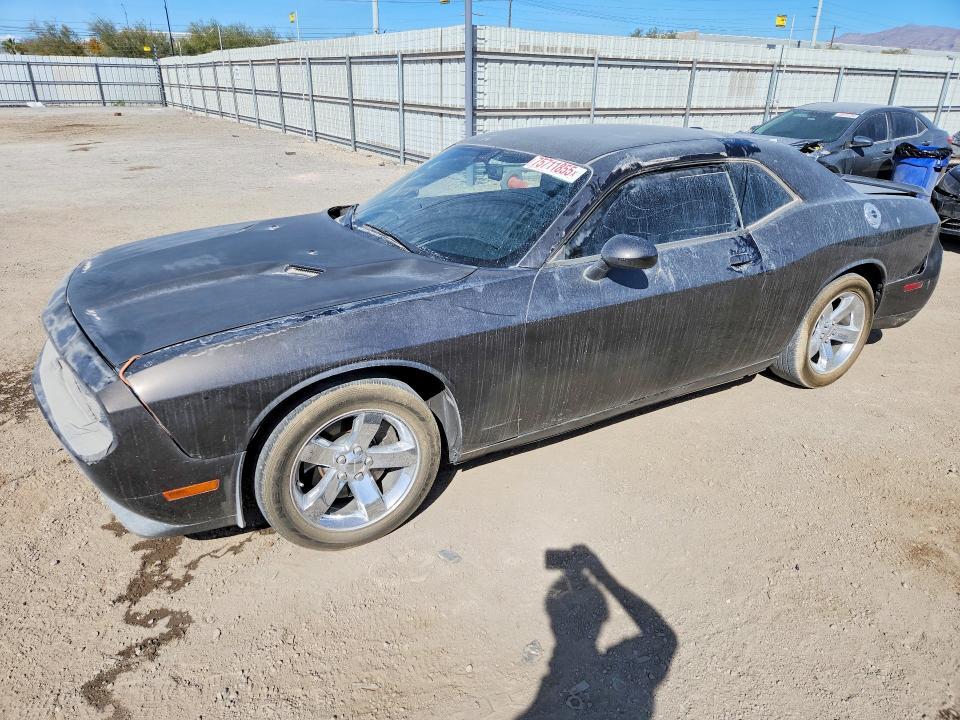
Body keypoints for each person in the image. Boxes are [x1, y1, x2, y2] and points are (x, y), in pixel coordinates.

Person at [517, 545, 677, 719]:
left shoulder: (551, 700)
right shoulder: (627, 689)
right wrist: (603, 577)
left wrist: (602, 575)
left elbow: (665, 638)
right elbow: (664, 637)